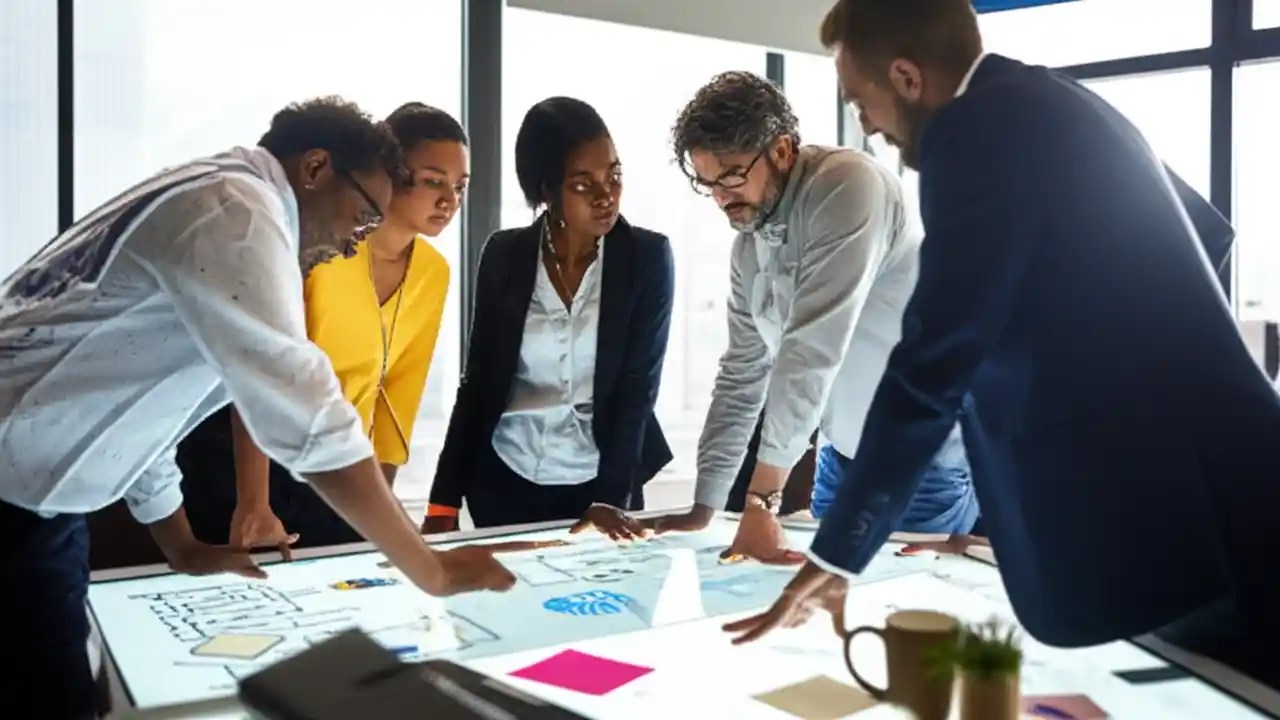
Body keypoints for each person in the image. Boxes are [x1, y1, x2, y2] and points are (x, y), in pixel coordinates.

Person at [727, 0, 1280, 691]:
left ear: (905, 77)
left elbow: (932, 362)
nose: (864, 123)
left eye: (860, 101)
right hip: (1237, 481)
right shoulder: (1054, 99)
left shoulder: (974, 132)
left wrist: (837, 555)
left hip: (1192, 525)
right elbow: (1211, 234)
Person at [0, 96, 513, 718]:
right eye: (358, 218)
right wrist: (425, 566)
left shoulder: (217, 196)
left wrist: (182, 544)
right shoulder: (236, 211)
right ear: (316, 168)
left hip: (41, 501)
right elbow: (304, 410)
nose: (352, 244)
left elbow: (147, 408)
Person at [588, 70, 980, 558]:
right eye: (706, 182)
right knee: (831, 608)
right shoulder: (749, 248)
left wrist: (761, 501)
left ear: (781, 150)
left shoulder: (848, 187)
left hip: (922, 457)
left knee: (907, 613)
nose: (720, 198)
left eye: (730, 176)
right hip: (843, 456)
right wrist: (705, 505)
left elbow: (812, 349)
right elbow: (742, 376)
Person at [178, 102, 467, 553]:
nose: (450, 199)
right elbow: (258, 372)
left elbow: (396, 399)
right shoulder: (324, 245)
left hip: (332, 465)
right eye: (433, 181)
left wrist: (380, 508)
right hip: (248, 460)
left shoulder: (434, 272)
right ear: (390, 172)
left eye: (460, 186)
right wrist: (254, 504)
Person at [423, 97, 674, 537]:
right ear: (545, 190)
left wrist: (610, 501)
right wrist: (443, 501)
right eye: (583, 183)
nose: (606, 195)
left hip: (602, 484)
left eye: (613, 176)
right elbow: (478, 382)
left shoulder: (647, 258)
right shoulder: (504, 255)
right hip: (504, 480)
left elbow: (639, 390)